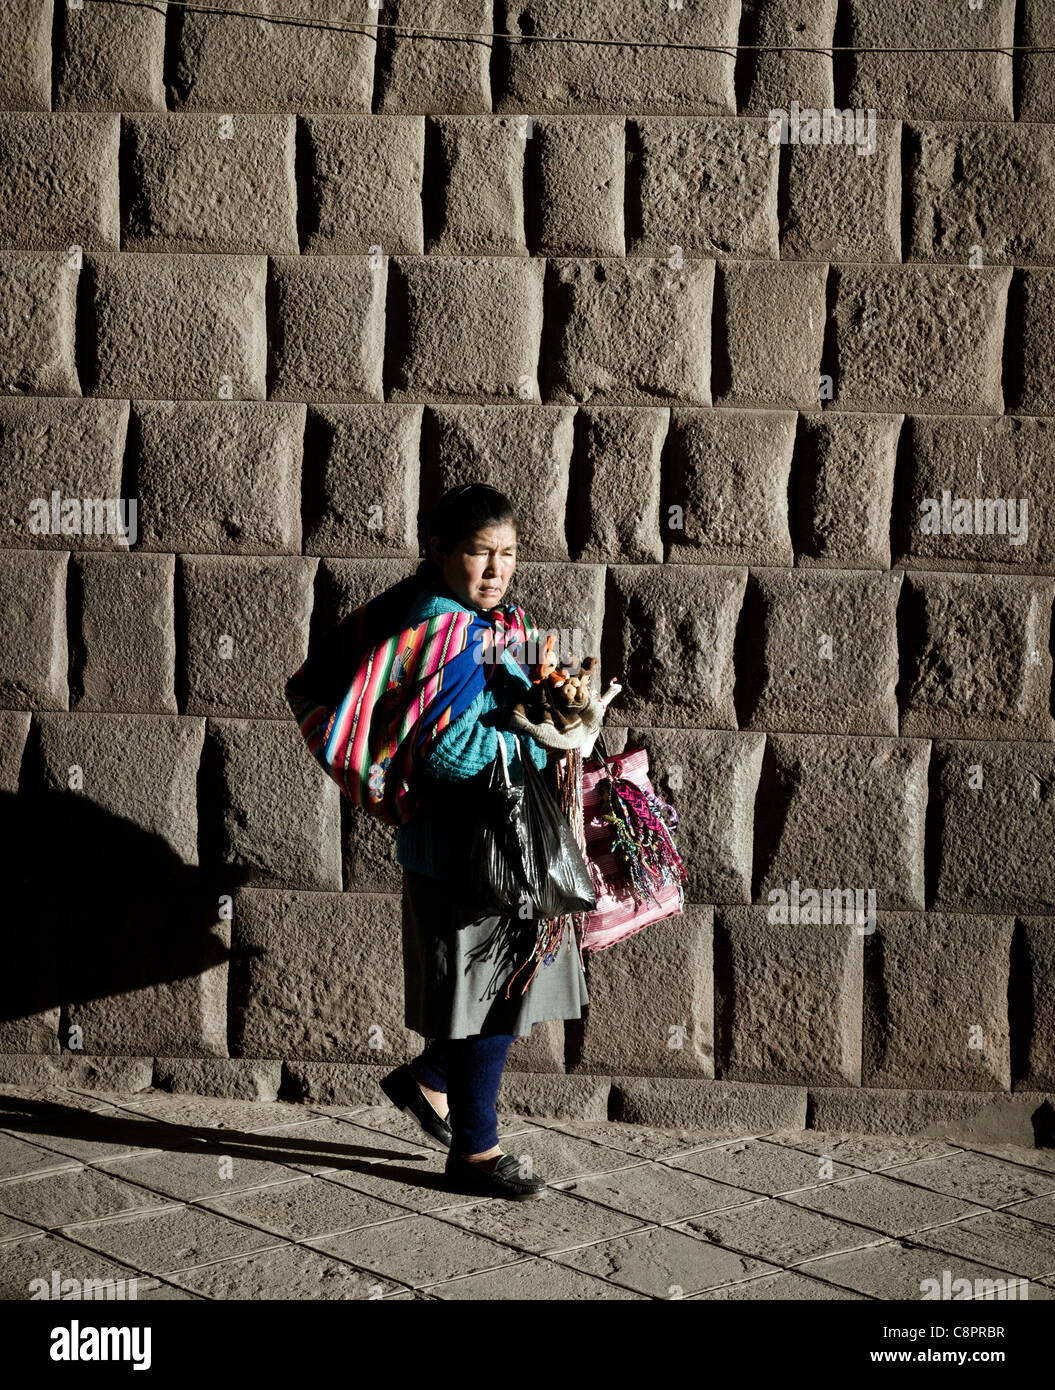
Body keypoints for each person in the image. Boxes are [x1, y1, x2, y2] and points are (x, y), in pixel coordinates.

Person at [376, 483, 604, 1201]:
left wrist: (555, 710)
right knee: (492, 997)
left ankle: (431, 1079)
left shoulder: (493, 621)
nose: (496, 569)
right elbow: (444, 750)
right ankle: (475, 1153)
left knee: (505, 987)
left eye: (506, 554)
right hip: (465, 851)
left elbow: (507, 706)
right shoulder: (441, 630)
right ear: (439, 550)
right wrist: (529, 728)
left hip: (502, 843)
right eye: (480, 553)